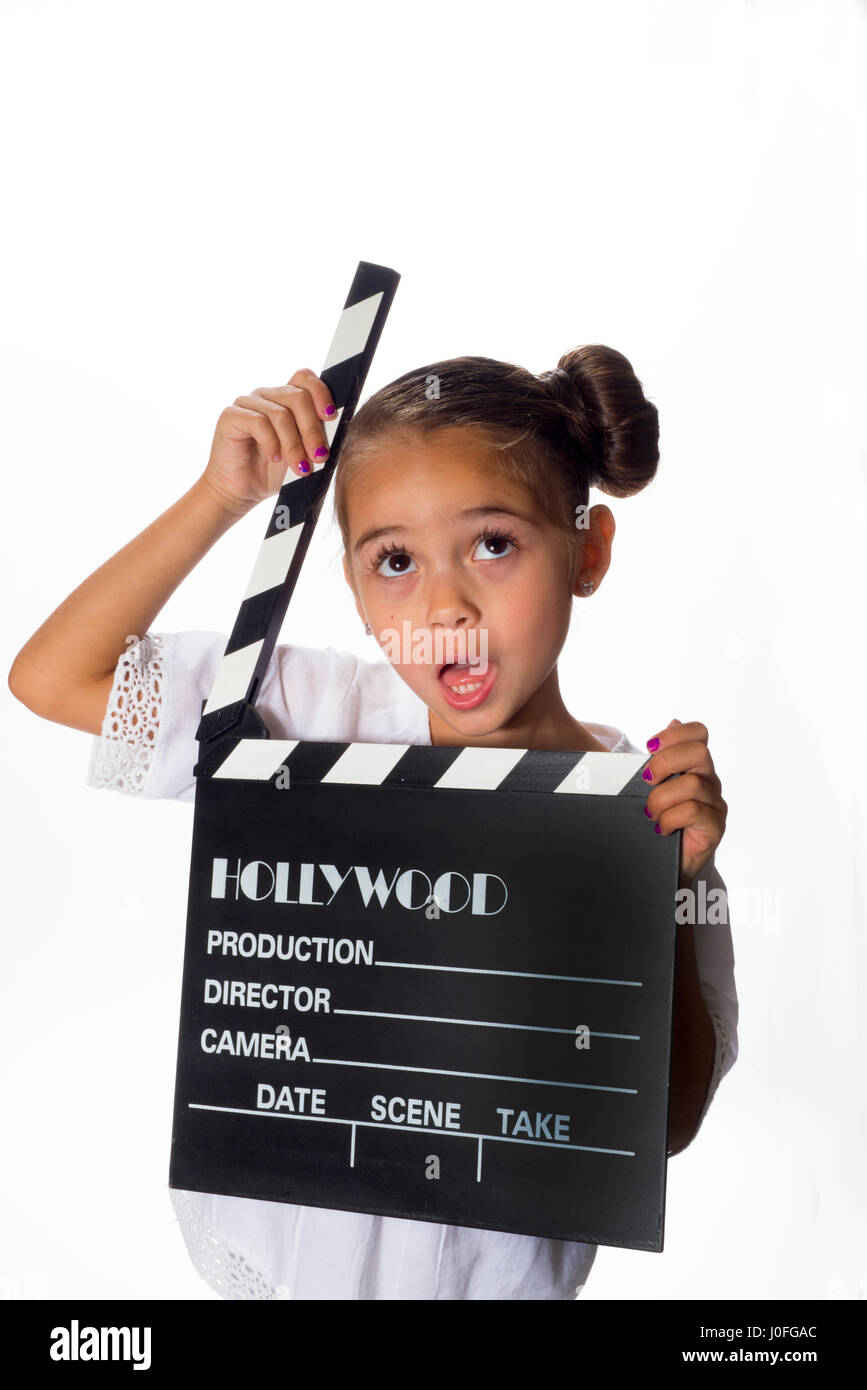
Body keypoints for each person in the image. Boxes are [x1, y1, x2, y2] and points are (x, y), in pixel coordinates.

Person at [8, 349, 738, 1300]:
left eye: (492, 544)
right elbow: (51, 678)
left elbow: (661, 1126)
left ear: (586, 550)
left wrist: (673, 887)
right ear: (351, 590)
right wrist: (219, 497)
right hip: (290, 1267)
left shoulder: (641, 808)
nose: (443, 607)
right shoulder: (306, 718)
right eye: (394, 562)